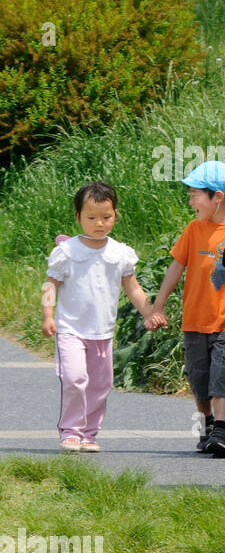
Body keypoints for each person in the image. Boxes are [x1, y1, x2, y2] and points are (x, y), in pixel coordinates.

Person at [42, 181, 155, 452]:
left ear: (115, 214)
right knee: (74, 377)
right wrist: (48, 315)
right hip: (70, 328)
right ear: (78, 217)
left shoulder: (119, 253)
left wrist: (150, 312)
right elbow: (50, 285)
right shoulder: (67, 252)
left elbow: (133, 288)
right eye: (91, 218)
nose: (99, 223)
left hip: (102, 332)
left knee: (101, 385)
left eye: (106, 217)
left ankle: (89, 433)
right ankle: (70, 430)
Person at [145, 161, 225, 458]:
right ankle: (207, 423)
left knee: (222, 376)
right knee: (199, 379)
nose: (190, 201)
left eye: (194, 195)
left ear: (218, 197)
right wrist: (157, 306)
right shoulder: (194, 229)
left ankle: (221, 431)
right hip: (194, 321)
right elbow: (177, 266)